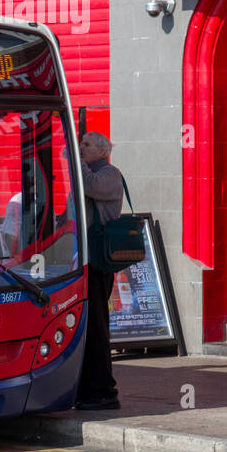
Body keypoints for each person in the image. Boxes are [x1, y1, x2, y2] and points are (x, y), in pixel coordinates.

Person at [76, 131, 124, 411]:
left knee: (96, 325)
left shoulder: (109, 174)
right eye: (79, 143)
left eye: (86, 144)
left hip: (98, 263)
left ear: (102, 151)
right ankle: (86, 387)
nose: (81, 147)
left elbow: (90, 185)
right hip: (83, 259)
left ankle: (104, 390)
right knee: (86, 324)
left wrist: (75, 157)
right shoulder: (89, 171)